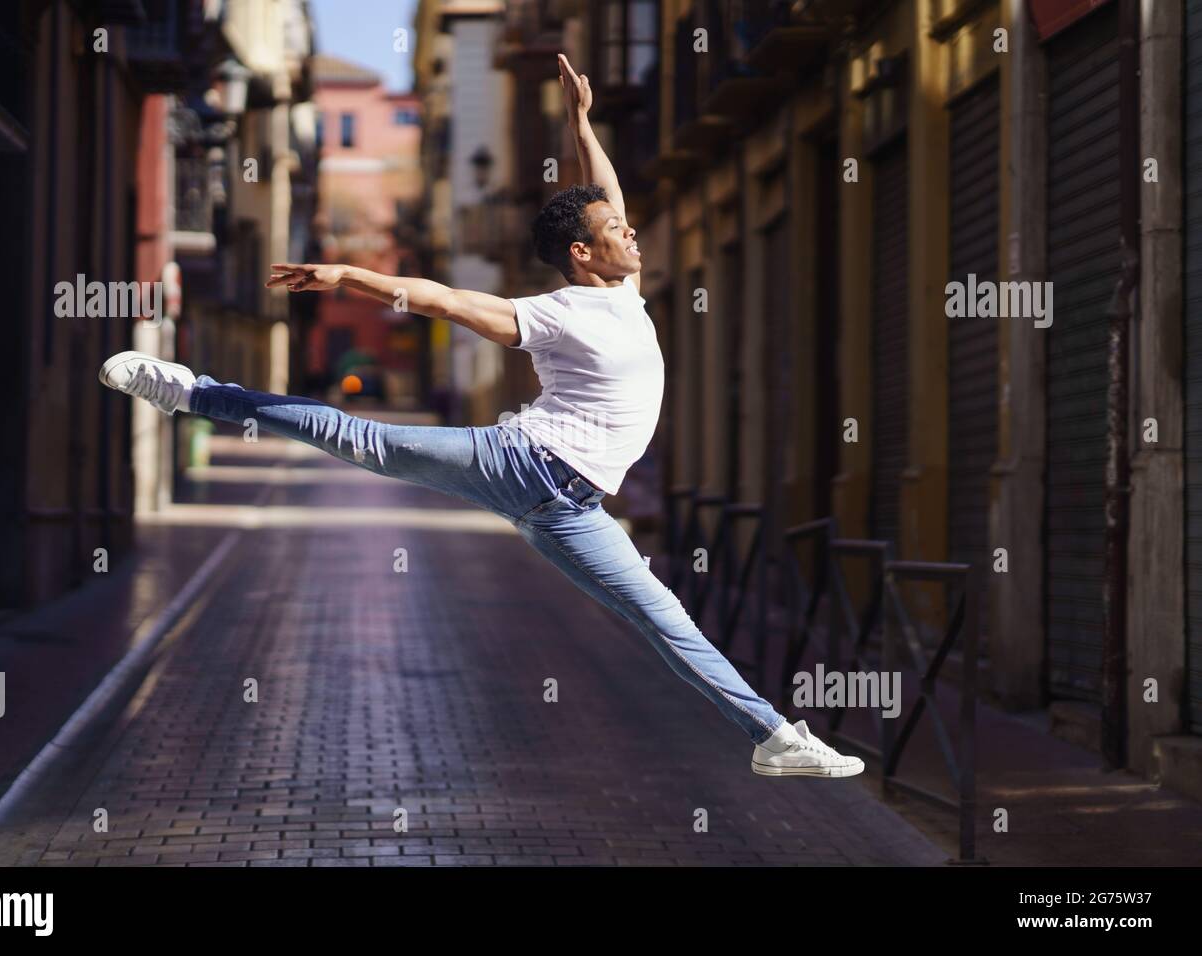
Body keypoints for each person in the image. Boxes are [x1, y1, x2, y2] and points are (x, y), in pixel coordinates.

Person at [100, 54, 862, 778]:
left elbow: (609, 193)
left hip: (574, 509)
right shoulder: (557, 313)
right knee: (357, 436)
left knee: (667, 621)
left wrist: (581, 122)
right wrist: (346, 275)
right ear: (582, 253)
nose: (630, 231)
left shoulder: (622, 289)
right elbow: (444, 299)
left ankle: (772, 738)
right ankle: (194, 392)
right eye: (613, 232)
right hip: (524, 462)